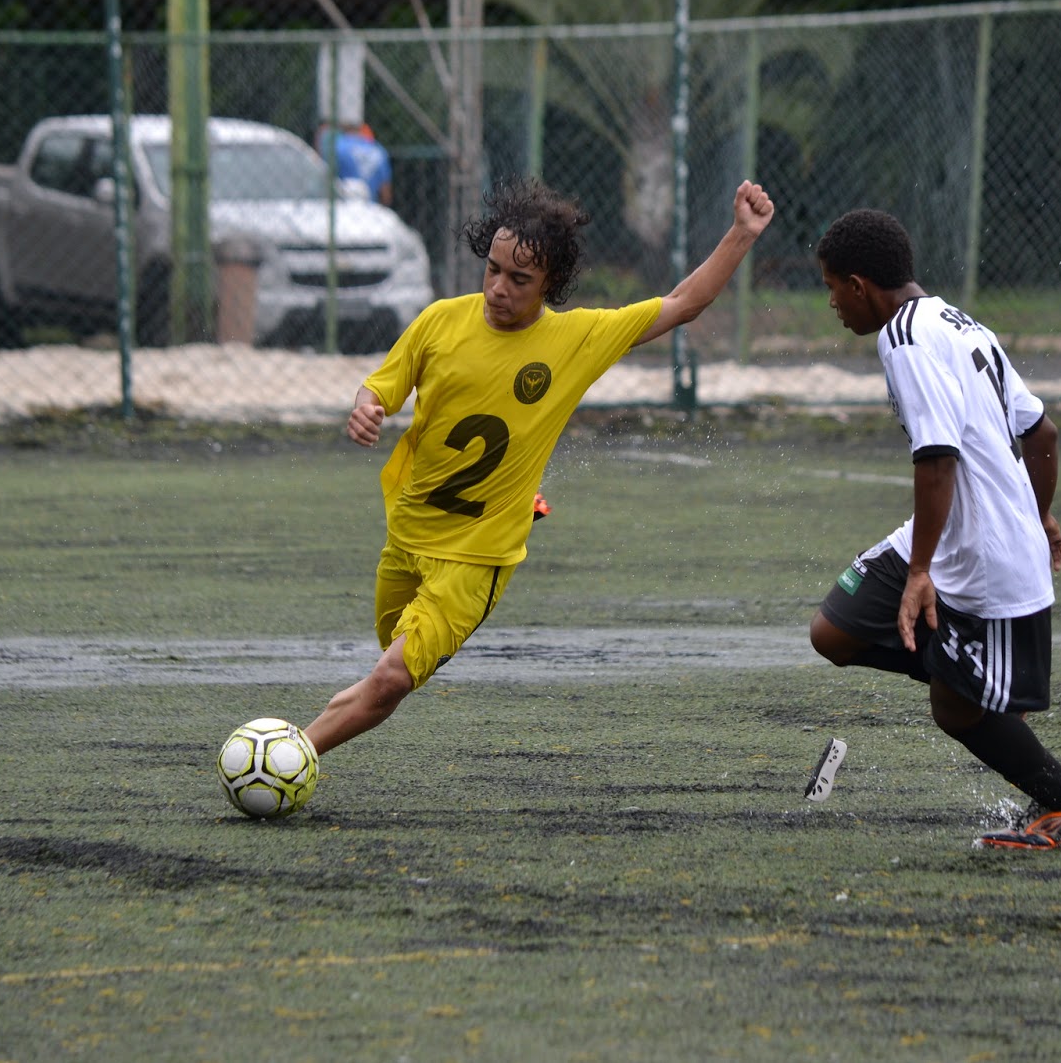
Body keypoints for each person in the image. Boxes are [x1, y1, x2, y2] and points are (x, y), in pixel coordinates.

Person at [303, 175, 776, 756]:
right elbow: (379, 388)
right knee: (389, 659)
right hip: (405, 536)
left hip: (478, 555)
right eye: (493, 269)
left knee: (391, 679)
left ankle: (289, 756)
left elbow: (683, 304)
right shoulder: (440, 322)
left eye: (519, 278)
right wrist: (366, 408)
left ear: (550, 283)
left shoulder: (576, 338)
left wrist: (740, 233)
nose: (499, 288)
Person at [807, 208, 1061, 850]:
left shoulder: (906, 341)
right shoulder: (957, 321)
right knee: (834, 630)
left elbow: (937, 457)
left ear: (859, 285)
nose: (831, 302)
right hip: (947, 533)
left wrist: (920, 571)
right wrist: (1039, 508)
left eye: (831, 287)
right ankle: (964, 671)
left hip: (983, 555)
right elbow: (1041, 434)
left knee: (954, 711)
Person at [321, 121, 392, 206]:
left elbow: (326, 179)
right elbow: (386, 195)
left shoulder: (338, 146)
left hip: (343, 206)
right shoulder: (379, 151)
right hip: (369, 208)